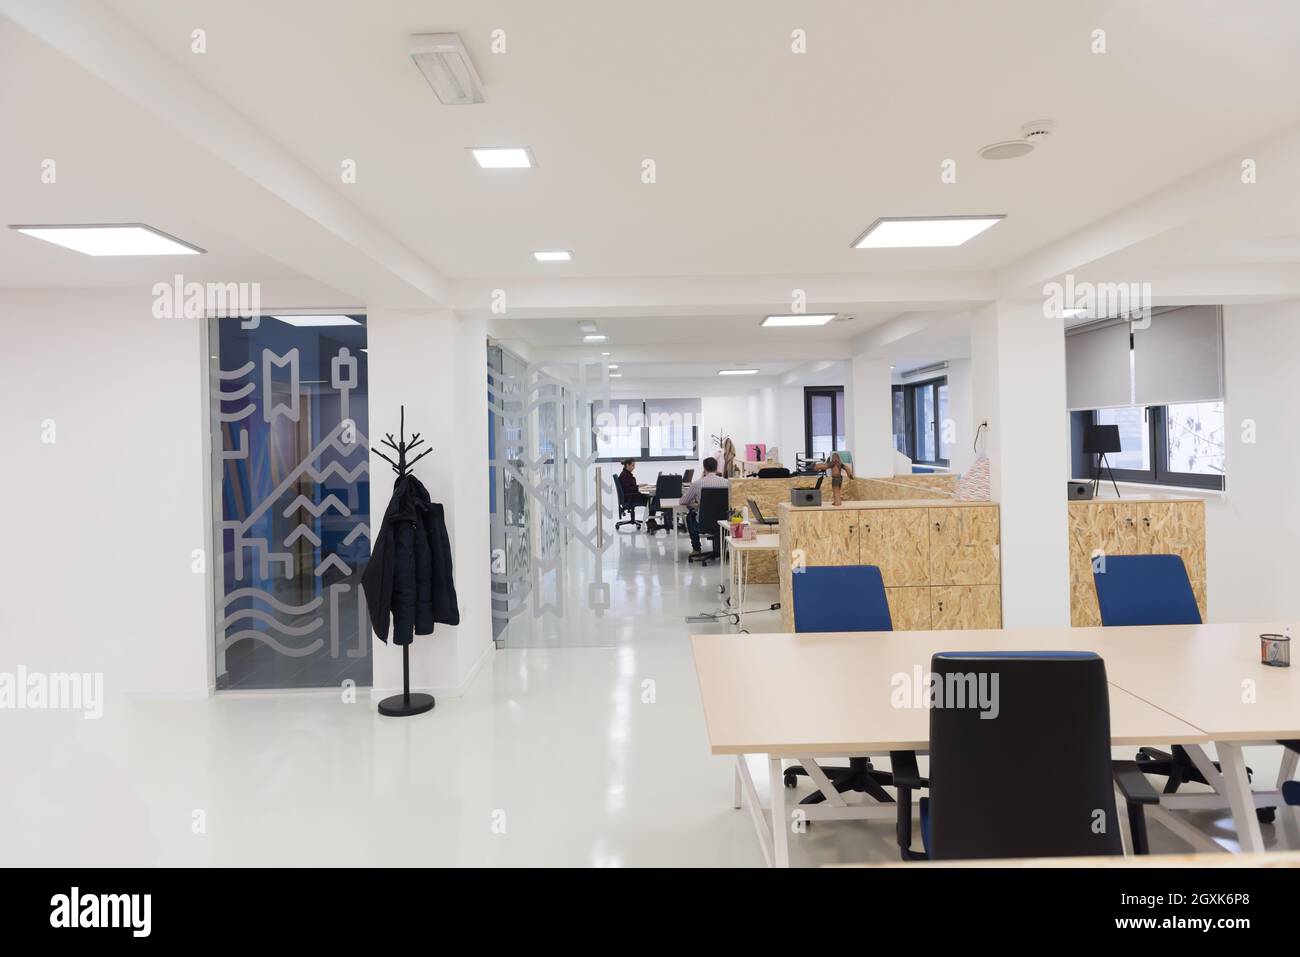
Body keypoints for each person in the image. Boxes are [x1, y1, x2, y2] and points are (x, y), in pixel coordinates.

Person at [678, 456, 730, 556]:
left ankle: (696, 549)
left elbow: (683, 501)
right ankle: (722, 549)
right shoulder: (727, 483)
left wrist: (696, 504)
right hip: (723, 524)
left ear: (704, 468)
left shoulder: (697, 483)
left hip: (704, 524)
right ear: (716, 468)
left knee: (690, 517)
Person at [617, 459, 659, 529]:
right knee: (652, 500)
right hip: (631, 498)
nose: (634, 467)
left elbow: (630, 487)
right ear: (627, 465)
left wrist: (639, 486)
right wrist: (639, 488)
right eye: (633, 465)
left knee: (652, 499)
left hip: (631, 496)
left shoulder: (626, 474)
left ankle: (651, 521)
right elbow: (628, 489)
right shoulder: (624, 475)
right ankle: (651, 522)